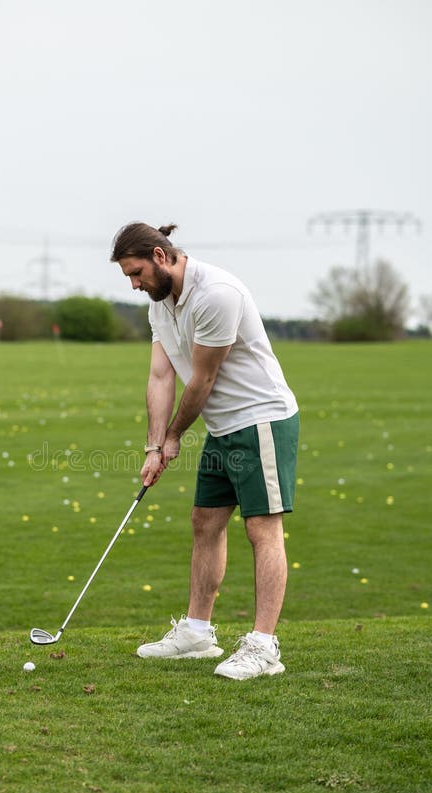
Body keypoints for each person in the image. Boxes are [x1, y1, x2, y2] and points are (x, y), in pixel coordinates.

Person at [110, 222, 299, 681]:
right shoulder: (162, 303)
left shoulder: (217, 293)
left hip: (261, 419)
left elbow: (203, 380)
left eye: (137, 273)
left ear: (160, 255)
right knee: (205, 521)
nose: (135, 285)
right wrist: (154, 445)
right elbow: (161, 376)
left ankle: (263, 646)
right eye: (128, 279)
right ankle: (197, 632)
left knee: (262, 528)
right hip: (222, 426)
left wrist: (174, 437)